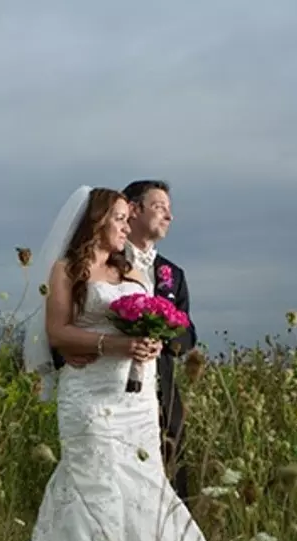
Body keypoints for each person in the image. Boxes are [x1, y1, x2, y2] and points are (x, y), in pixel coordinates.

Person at [12, 186, 234, 541]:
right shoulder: (66, 270)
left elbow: (154, 317)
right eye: (117, 218)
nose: (123, 225)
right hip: (89, 398)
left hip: (135, 399)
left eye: (125, 217)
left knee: (146, 484)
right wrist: (111, 344)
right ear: (96, 221)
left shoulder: (130, 269)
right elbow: (57, 333)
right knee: (94, 481)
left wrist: (152, 340)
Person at [53, 179, 196, 500]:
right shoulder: (81, 267)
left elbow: (187, 330)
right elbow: (60, 322)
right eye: (159, 207)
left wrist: (159, 336)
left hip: (152, 391)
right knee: (99, 484)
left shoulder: (169, 274)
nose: (168, 216)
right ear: (132, 211)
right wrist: (68, 348)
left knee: (159, 484)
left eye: (170, 209)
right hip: (94, 385)